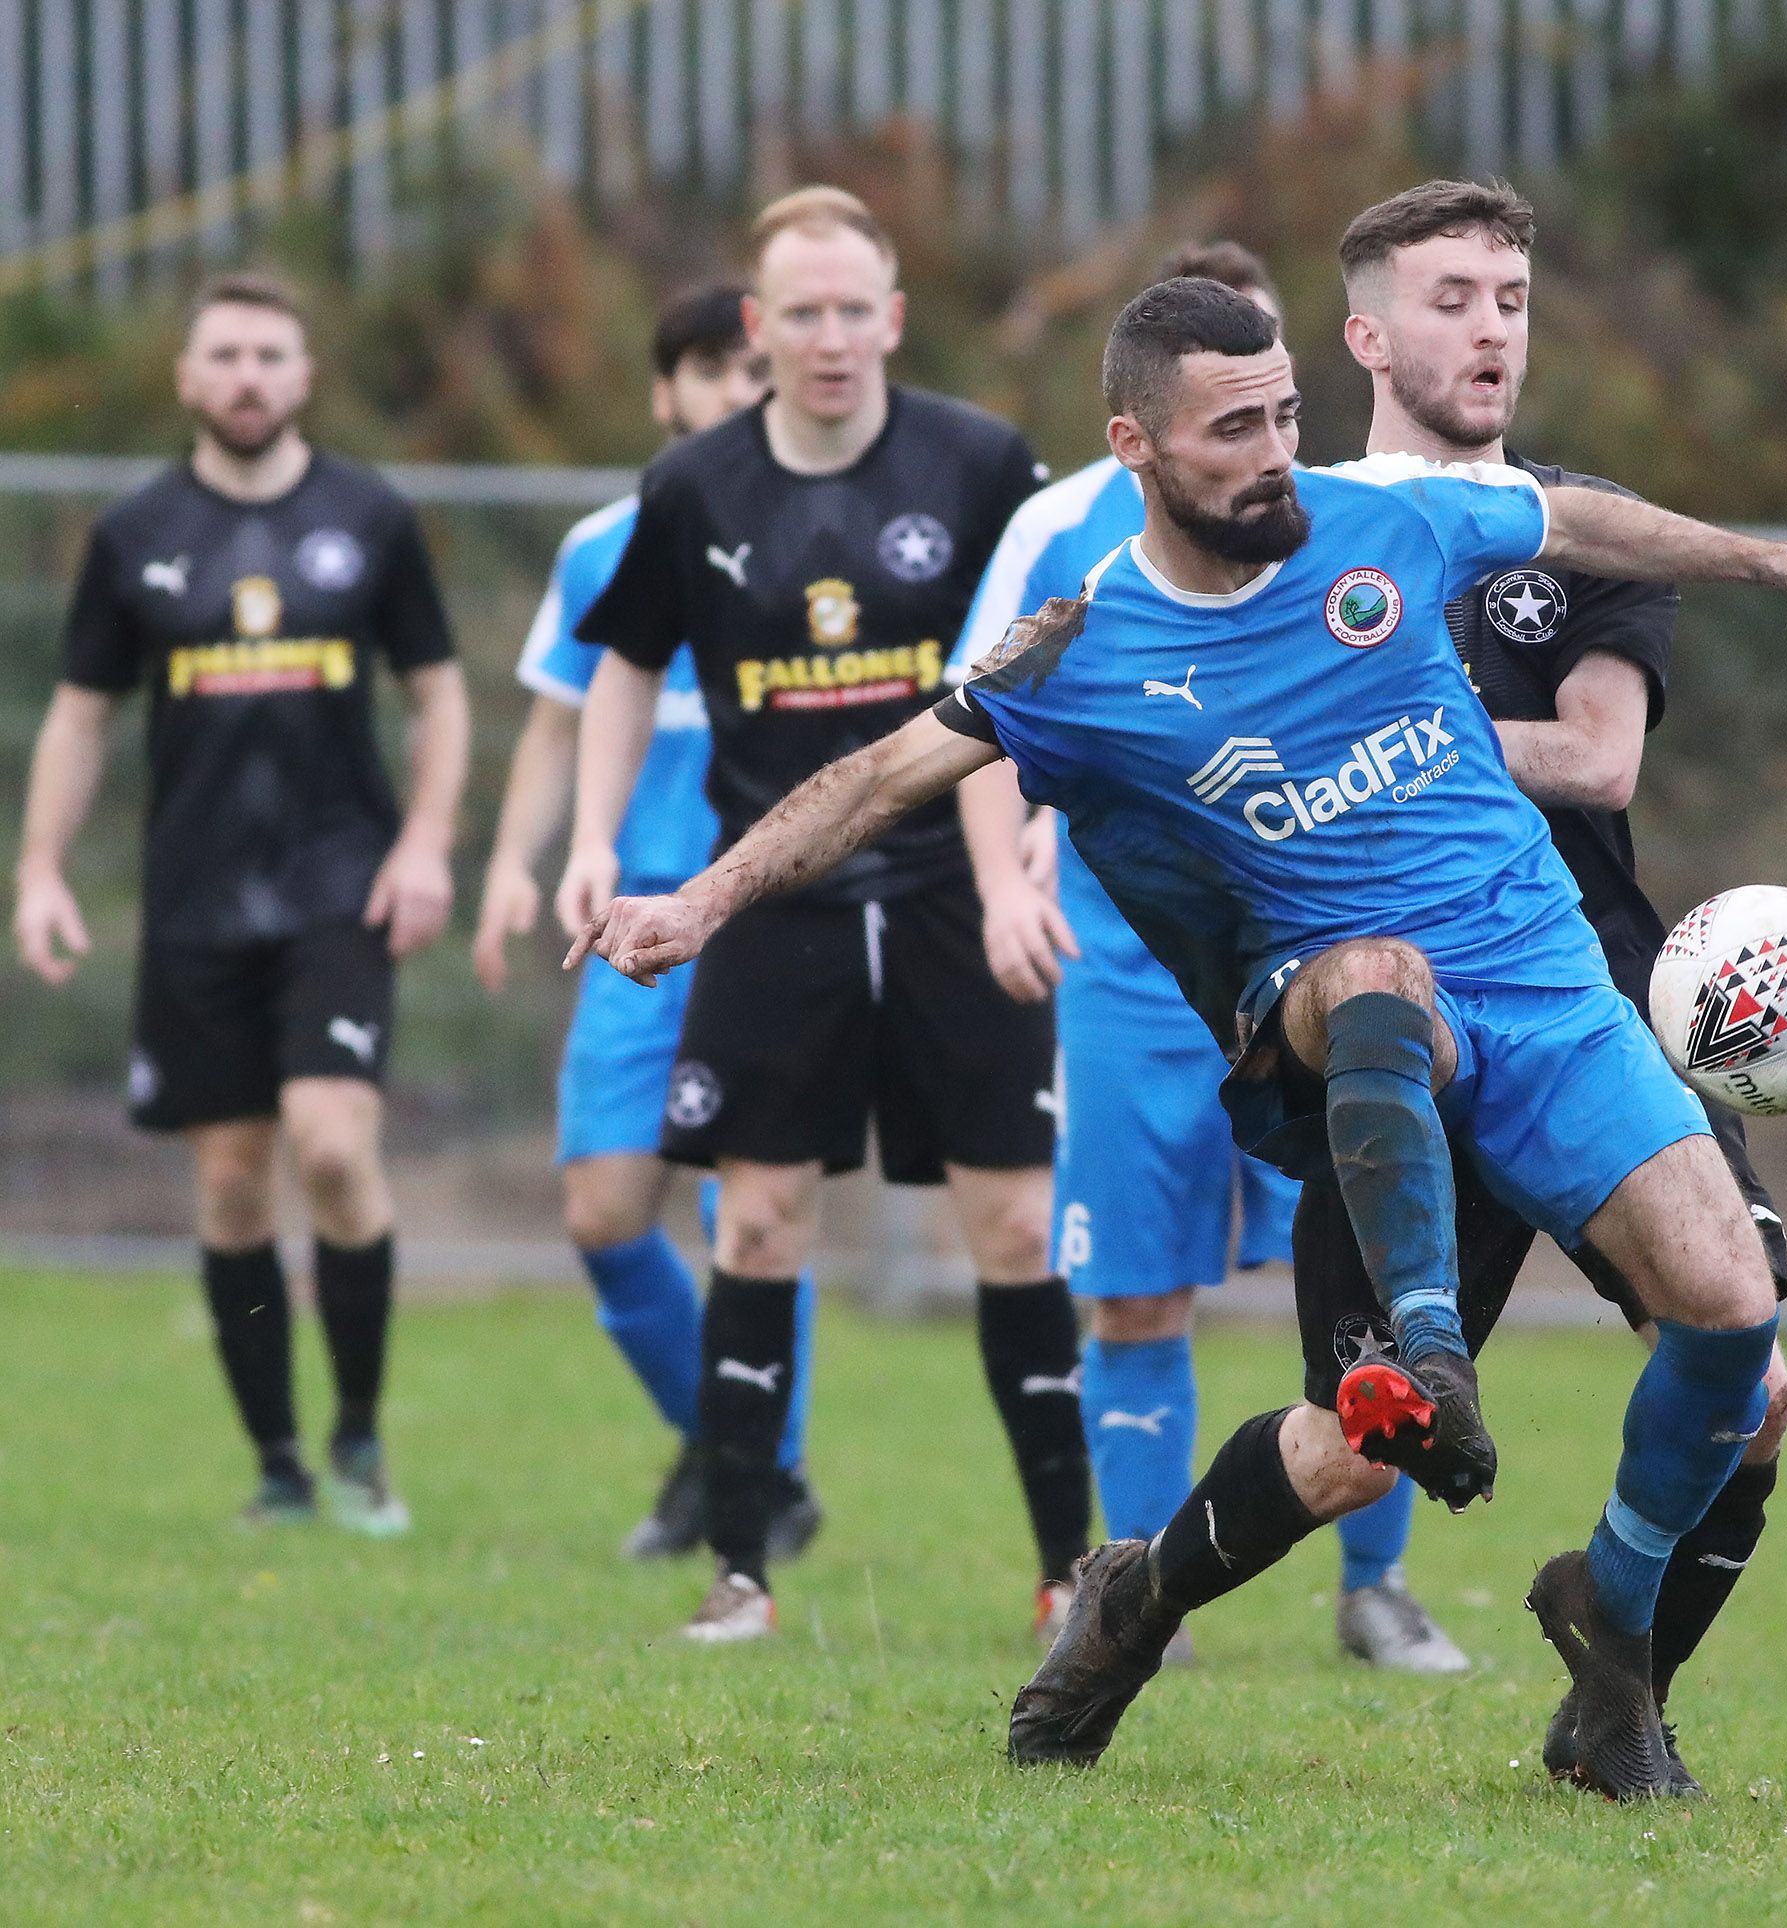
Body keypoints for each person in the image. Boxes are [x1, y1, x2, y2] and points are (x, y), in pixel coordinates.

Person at [568, 273, 1787, 1793]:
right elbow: (881, 775)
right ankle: (1375, 1392)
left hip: (1549, 998)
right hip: (1336, 1030)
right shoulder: (1080, 652)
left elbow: (1578, 525)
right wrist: (701, 899)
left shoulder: (1385, 523)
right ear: (1134, 445)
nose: (1276, 449)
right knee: (1378, 985)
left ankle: (1574, 1616)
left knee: (1719, 1323)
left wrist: (1782, 562)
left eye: (1284, 412)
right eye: (1234, 428)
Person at [558, 187, 1087, 1644]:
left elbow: (1040, 666)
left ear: (895, 320)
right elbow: (620, 665)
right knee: (765, 1220)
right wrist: (593, 842)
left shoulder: (979, 463)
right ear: (759, 327)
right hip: (768, 899)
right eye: (803, 312)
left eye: (858, 309)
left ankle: (1068, 1575)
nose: (833, 337)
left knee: (1019, 1223)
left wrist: (1024, 851)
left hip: (944, 896)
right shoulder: (696, 484)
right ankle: (743, 1575)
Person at [1320, 181, 1787, 1794]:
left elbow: (1598, 758)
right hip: (1389, 1006)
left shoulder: (1581, 520)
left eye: (1513, 298)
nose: (1492, 328)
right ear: (1366, 331)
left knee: (1758, 1380)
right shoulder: (1291, 525)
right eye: (1454, 296)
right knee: (1353, 1430)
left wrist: (1386, 739)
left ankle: (1617, 1696)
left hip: (1581, 986)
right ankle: (1131, 1602)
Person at [953, 240, 1464, 1675]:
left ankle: (1379, 1588)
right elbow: (974, 722)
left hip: (1326, 968)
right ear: (1148, 410)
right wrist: (1004, 885)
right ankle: (1138, 1591)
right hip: (1132, 980)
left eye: (1277, 394)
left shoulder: (1338, 520)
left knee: (1373, 1279)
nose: (1264, 438)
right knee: (1134, 1287)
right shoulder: (1061, 537)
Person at [12, 271, 470, 1533]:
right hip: (198, 901)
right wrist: (40, 867)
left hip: (340, 888)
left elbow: (438, 692)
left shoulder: (368, 515)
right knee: (229, 1182)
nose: (249, 376)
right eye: (225, 355)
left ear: (304, 373)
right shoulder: (134, 530)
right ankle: (277, 1463)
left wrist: (426, 844)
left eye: (272, 353)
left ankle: (363, 1441)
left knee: (331, 1143)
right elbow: (81, 712)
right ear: (188, 377)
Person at [472, 282, 822, 1562]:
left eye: (757, 365)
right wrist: (526, 859)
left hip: (769, 915)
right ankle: (731, 1446)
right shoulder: (601, 543)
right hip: (630, 924)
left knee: (757, 1207)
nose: (745, 386)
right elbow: (562, 725)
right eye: (716, 369)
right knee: (606, 1212)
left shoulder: (817, 531)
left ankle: (758, 1476)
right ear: (664, 390)